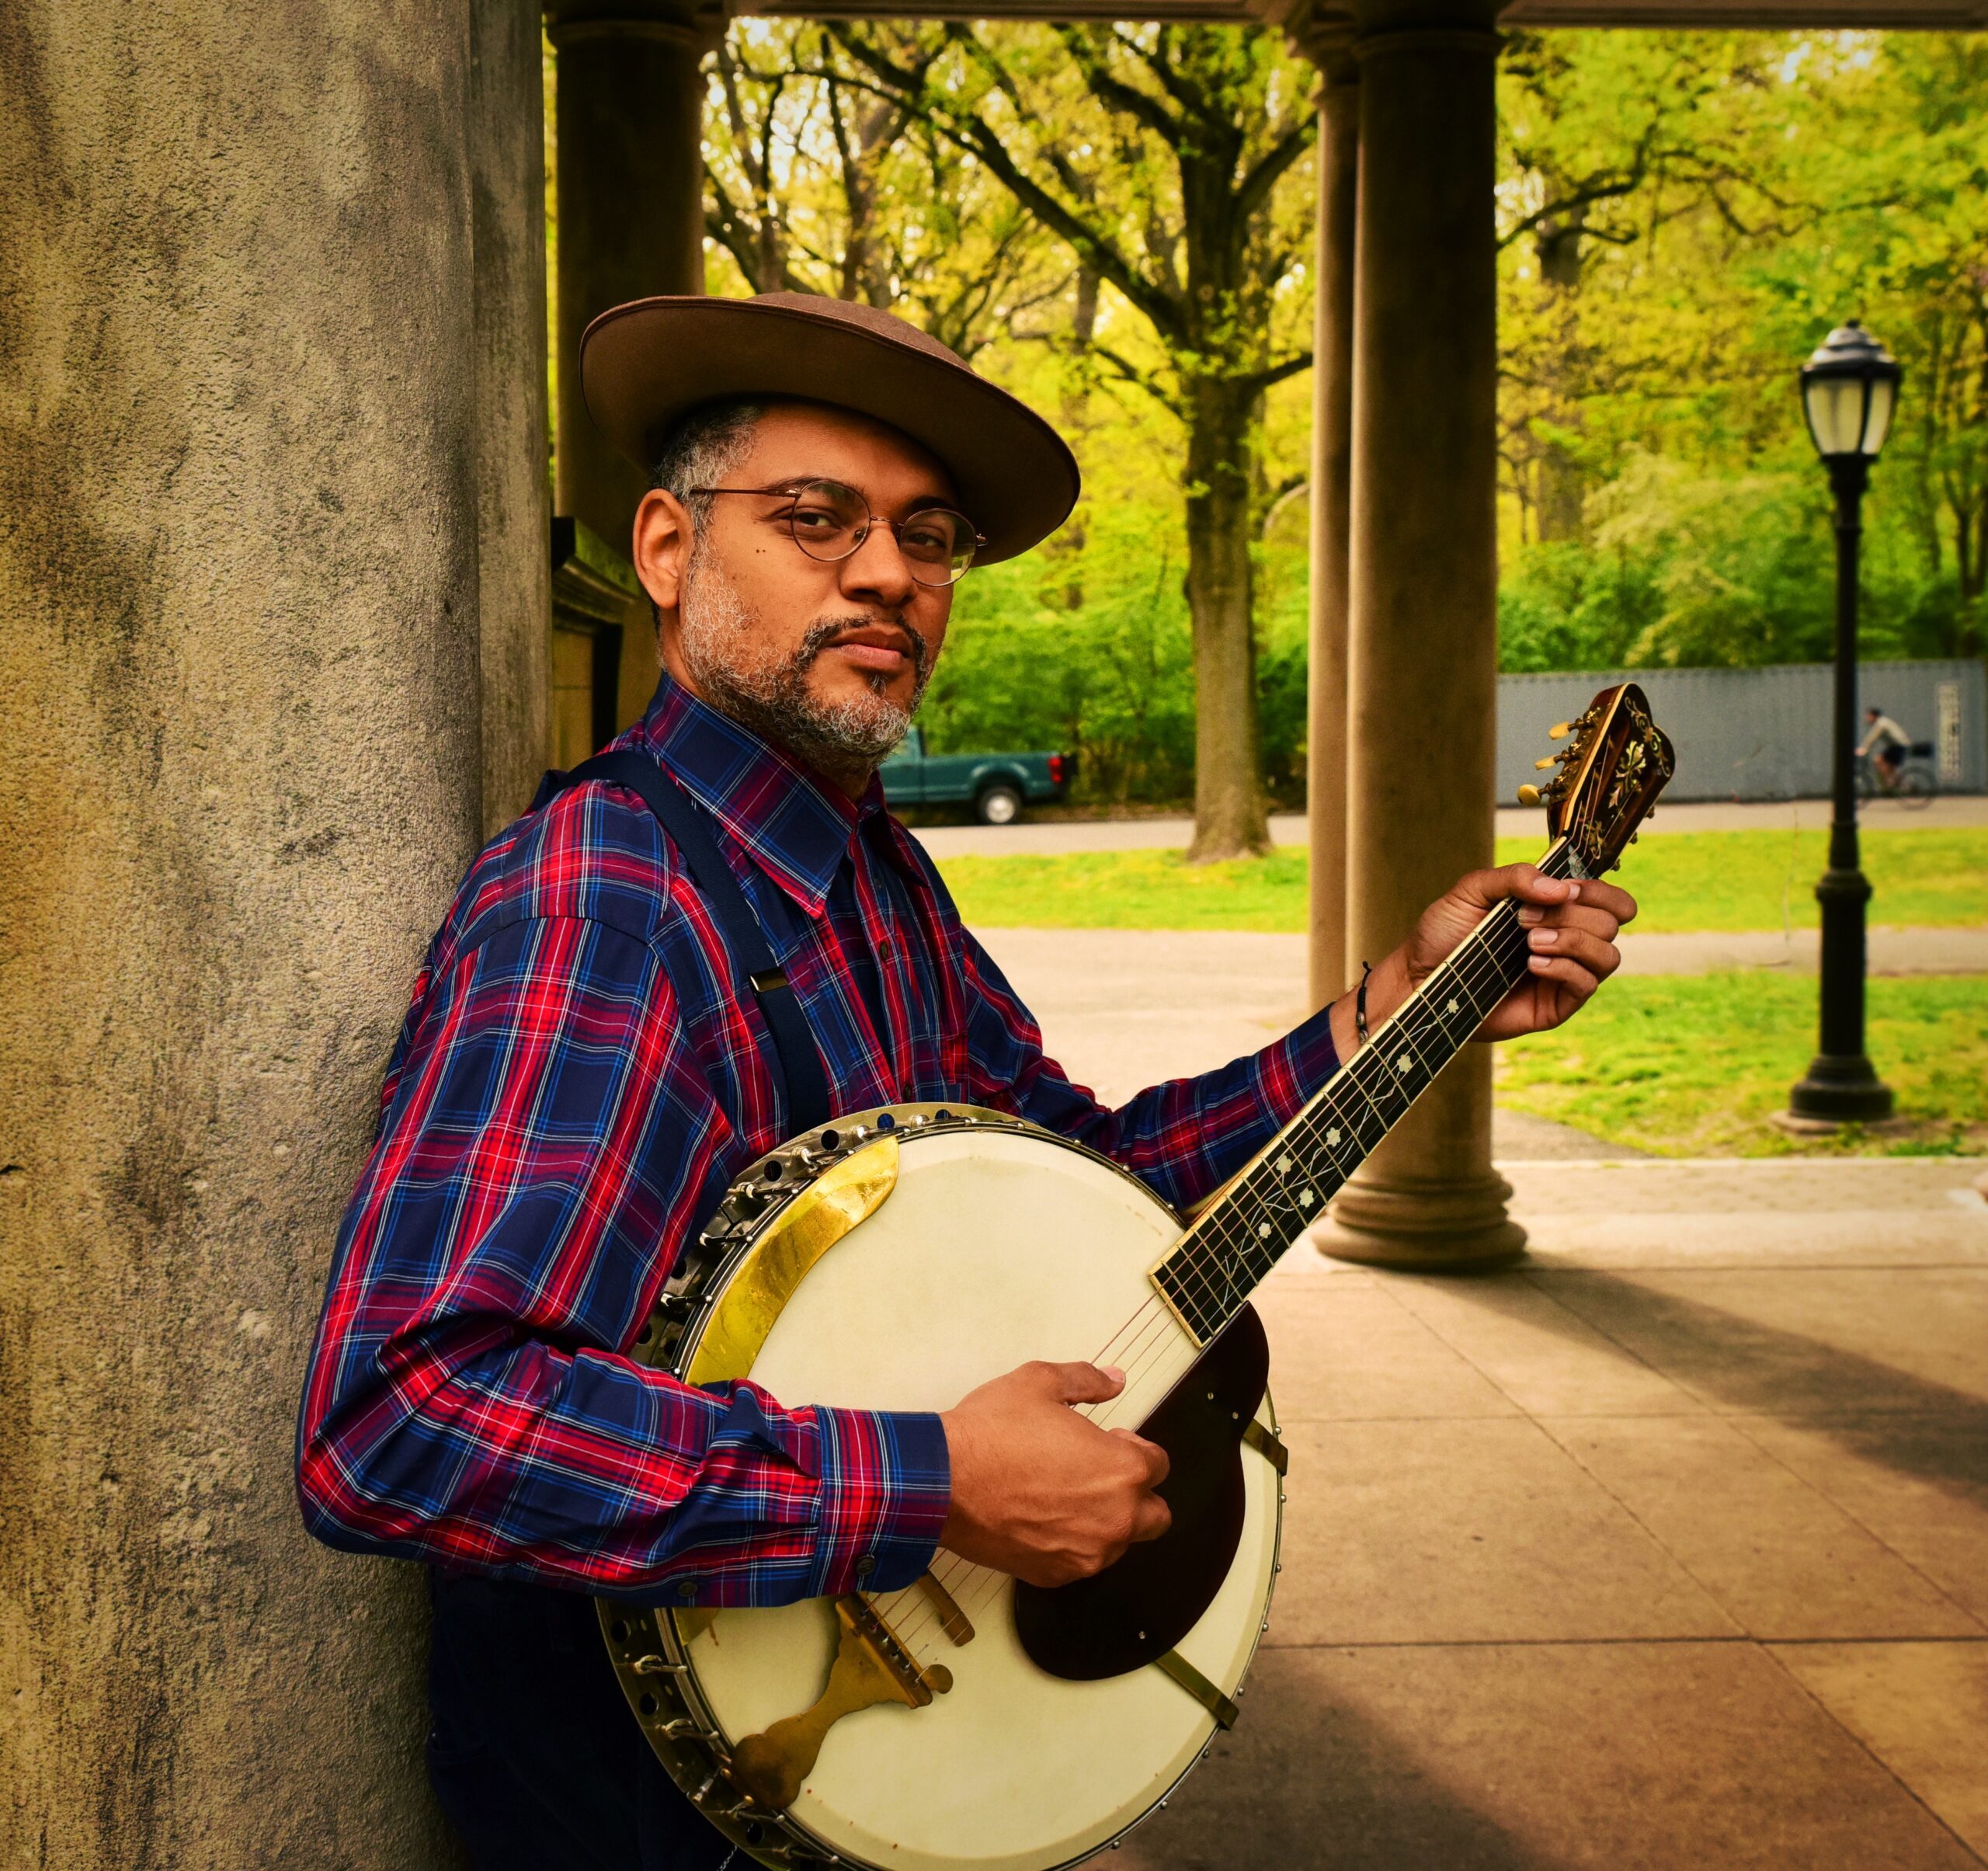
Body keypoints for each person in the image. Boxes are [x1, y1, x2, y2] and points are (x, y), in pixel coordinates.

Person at [295, 292, 1635, 1869]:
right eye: (815, 519)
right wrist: (924, 1484)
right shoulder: (611, 901)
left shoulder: (866, 868)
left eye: (926, 537)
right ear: (665, 550)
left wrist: (1390, 1011)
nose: (888, 573)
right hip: (647, 1820)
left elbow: (1090, 1185)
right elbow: (405, 1417)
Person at [1858, 704, 1911, 791]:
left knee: (1878, 760)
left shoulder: (1881, 724)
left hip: (1898, 746)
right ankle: (1904, 786)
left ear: (1874, 716)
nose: (1867, 718)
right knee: (1891, 768)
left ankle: (1889, 784)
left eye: (1869, 716)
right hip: (1898, 745)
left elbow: (1873, 737)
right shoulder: (1883, 722)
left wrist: (1864, 748)